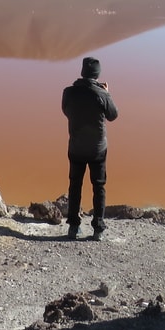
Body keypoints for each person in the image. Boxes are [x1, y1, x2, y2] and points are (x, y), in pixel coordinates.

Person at [61, 56, 119, 240]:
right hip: (97, 149)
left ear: (82, 72)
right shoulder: (102, 94)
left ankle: (73, 227)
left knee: (75, 185)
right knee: (99, 186)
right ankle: (98, 229)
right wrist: (107, 93)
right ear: (97, 74)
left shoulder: (69, 92)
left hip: (76, 147)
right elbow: (113, 115)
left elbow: (66, 111)